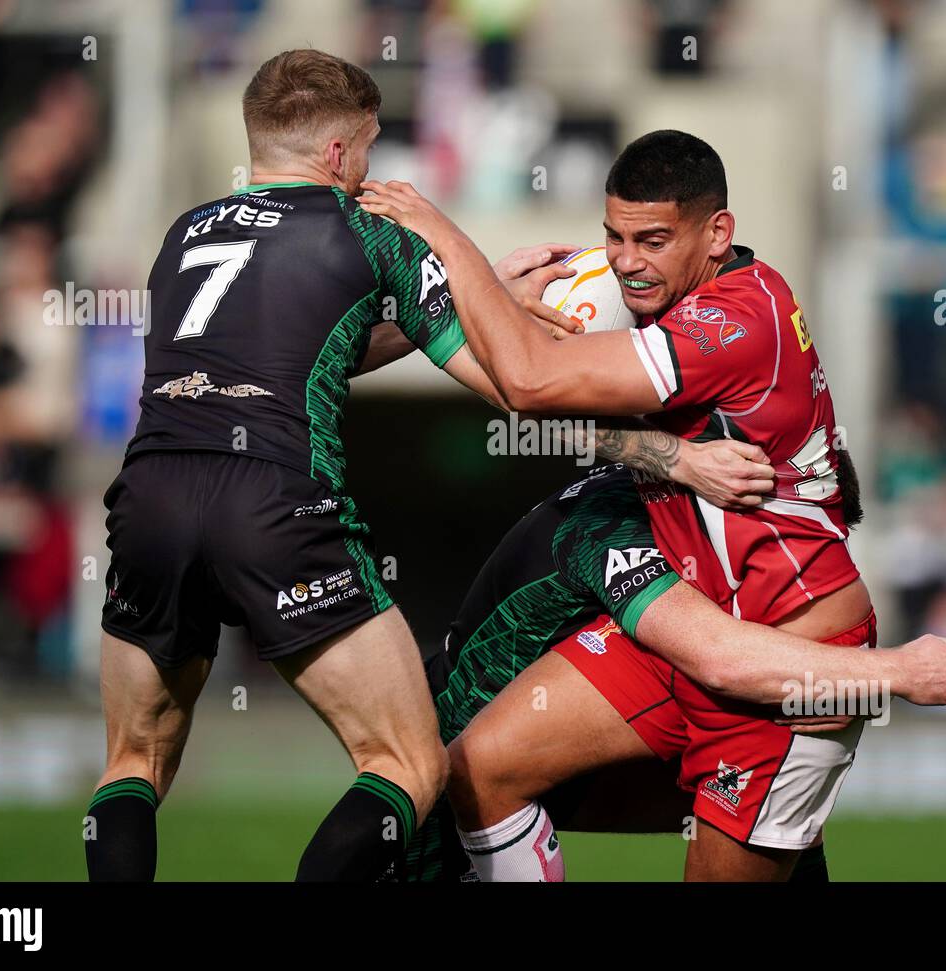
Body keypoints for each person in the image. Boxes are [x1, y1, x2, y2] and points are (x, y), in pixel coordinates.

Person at [88, 55, 767, 883]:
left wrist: (448, 304)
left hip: (148, 495)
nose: (372, 168)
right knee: (410, 764)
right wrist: (676, 457)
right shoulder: (373, 233)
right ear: (340, 155)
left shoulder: (184, 234)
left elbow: (302, 353)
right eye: (371, 147)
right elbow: (524, 394)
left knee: (132, 761)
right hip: (272, 498)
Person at [358, 129, 895, 879]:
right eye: (614, 235)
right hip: (686, 633)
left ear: (718, 233)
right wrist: (673, 456)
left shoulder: (733, 320)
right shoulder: (666, 291)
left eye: (651, 239)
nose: (626, 260)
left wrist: (447, 241)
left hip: (785, 664)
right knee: (480, 770)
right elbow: (532, 394)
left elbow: (531, 383)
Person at [400, 463, 946, 881]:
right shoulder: (631, 528)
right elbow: (720, 656)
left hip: (488, 754)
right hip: (440, 748)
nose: (810, 556)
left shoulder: (697, 527)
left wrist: (833, 678)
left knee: (772, 811)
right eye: (805, 531)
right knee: (473, 776)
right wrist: (887, 674)